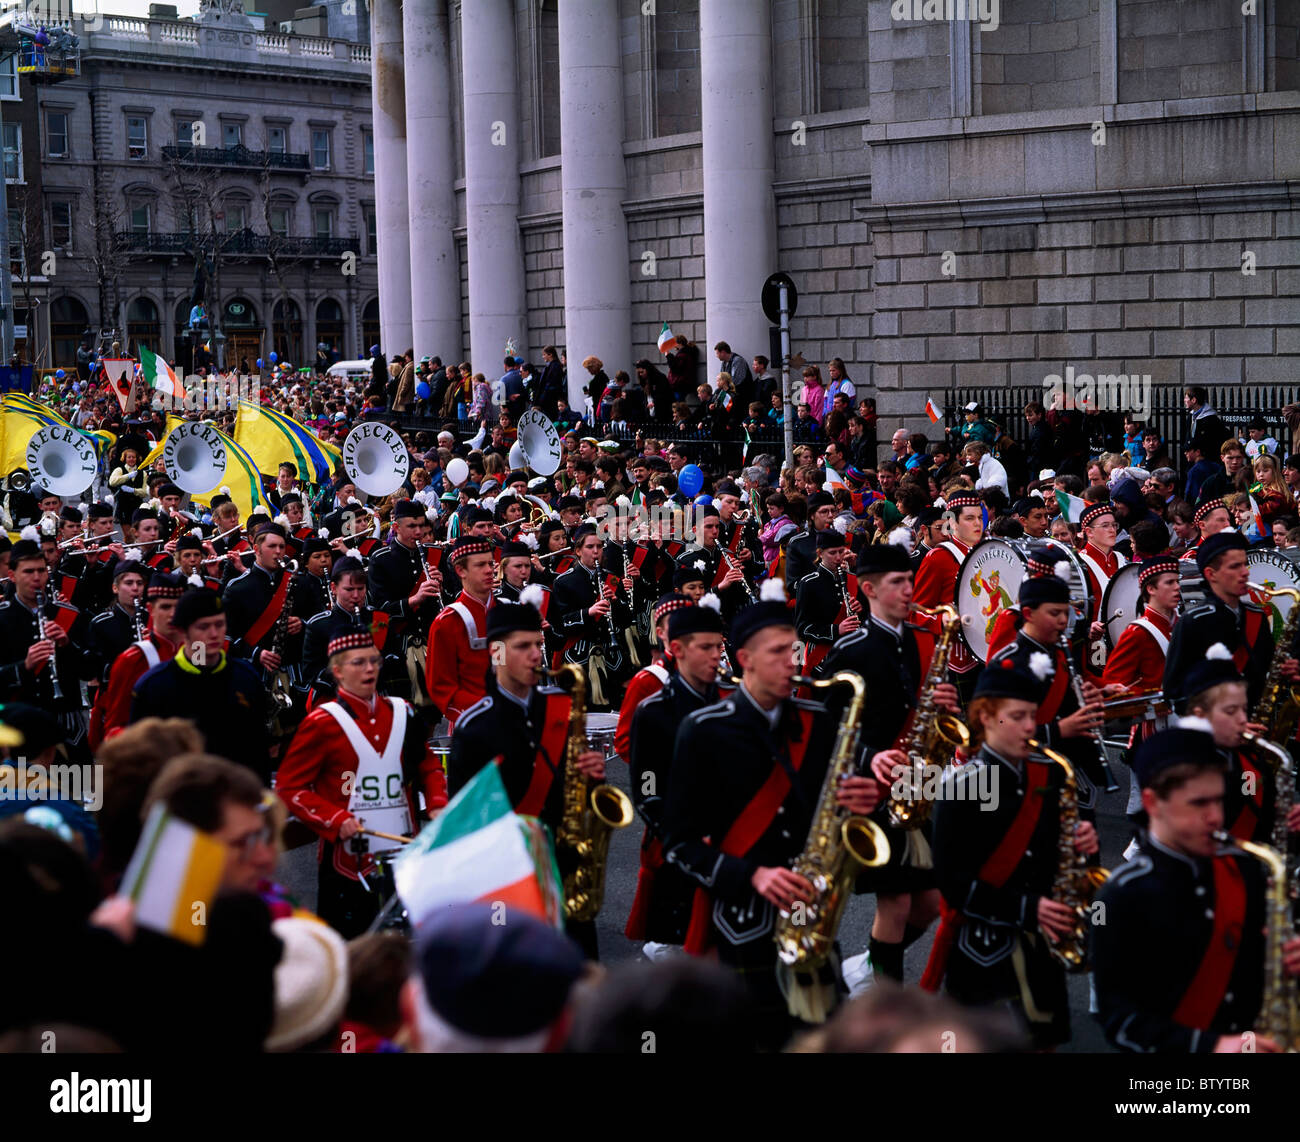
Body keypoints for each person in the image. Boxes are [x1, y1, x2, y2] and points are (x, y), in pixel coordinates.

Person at [663, 584, 881, 1046]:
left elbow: (836, 798)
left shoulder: (817, 718)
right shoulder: (703, 731)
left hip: (811, 916)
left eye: (795, 650)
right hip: (743, 924)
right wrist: (752, 876)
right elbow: (678, 844)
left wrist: (861, 797)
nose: (793, 661)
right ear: (744, 659)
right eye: (779, 651)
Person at [1092, 723, 1300, 1053]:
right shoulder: (1122, 896)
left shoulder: (1244, 868)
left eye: (1218, 800)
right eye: (1198, 803)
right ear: (1153, 801)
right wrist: (1214, 1046)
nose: (1216, 817)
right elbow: (1121, 1023)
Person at [927, 663, 1099, 1049]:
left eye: (1032, 717)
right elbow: (953, 884)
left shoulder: (1050, 772)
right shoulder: (963, 785)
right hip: (985, 950)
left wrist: (1079, 846)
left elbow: (1054, 856)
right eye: (1017, 717)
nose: (1028, 727)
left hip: (1041, 942)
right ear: (986, 716)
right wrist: (1026, 909)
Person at [818, 541, 962, 985]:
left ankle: (868, 966)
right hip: (874, 788)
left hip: (916, 785)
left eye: (908, 581)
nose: (908, 590)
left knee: (932, 901)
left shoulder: (925, 639)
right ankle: (885, 998)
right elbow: (825, 724)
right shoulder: (851, 650)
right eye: (897, 582)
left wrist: (947, 707)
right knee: (896, 903)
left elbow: (929, 710)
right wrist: (869, 754)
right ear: (869, 589)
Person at [448, 596, 606, 957]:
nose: (536, 655)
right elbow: (465, 823)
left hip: (566, 864)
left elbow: (576, 787)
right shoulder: (475, 728)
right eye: (523, 647)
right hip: (508, 874)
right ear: (497, 654)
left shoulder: (559, 706)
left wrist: (592, 777)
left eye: (538, 644)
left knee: (580, 975)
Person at [276, 616, 448, 938]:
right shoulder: (321, 723)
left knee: (405, 951)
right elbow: (289, 786)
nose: (370, 669)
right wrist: (333, 818)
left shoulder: (404, 712)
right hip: (347, 863)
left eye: (374, 661)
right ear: (338, 671)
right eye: (358, 663)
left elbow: (427, 765)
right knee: (354, 951)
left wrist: (437, 802)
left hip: (403, 853)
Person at [626, 598, 726, 952]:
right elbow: (647, 788)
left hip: (728, 846)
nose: (716, 655)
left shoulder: (731, 699)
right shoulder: (654, 711)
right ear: (678, 650)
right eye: (706, 647)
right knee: (679, 950)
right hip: (678, 847)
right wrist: (680, 838)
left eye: (719, 646)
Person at [130, 587, 272, 780]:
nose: (214, 634)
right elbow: (142, 760)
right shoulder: (155, 686)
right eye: (203, 627)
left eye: (219, 624)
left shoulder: (246, 677)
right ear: (183, 631)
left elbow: (258, 750)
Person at [1164, 531, 1293, 713]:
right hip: (1213, 736)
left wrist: (1285, 674)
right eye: (1235, 567)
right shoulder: (1193, 622)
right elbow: (1174, 694)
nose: (1245, 573)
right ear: (1211, 574)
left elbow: (1265, 676)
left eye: (1245, 565)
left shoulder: (1256, 616)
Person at [92, 572, 184, 748]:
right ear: (150, 609)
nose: (173, 614)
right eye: (165, 607)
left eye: (178, 607)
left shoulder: (198, 651)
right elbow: (115, 726)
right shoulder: (132, 659)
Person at [911, 490, 984, 698]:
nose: (977, 524)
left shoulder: (990, 552)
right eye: (969, 518)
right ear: (951, 522)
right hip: (956, 662)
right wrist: (941, 620)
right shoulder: (938, 558)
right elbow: (914, 613)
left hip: (989, 657)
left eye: (980, 517)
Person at [426, 534, 496, 725]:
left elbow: (503, 665)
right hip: (472, 725)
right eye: (480, 565)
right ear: (460, 570)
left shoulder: (504, 612)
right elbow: (441, 688)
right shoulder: (446, 623)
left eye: (490, 564)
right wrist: (482, 713)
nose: (489, 570)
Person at [793, 528, 863, 673]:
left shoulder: (852, 578)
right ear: (820, 553)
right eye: (832, 553)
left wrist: (861, 610)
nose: (838, 558)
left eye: (841, 551)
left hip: (851, 653)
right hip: (822, 659)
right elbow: (803, 628)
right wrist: (837, 630)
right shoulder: (808, 583)